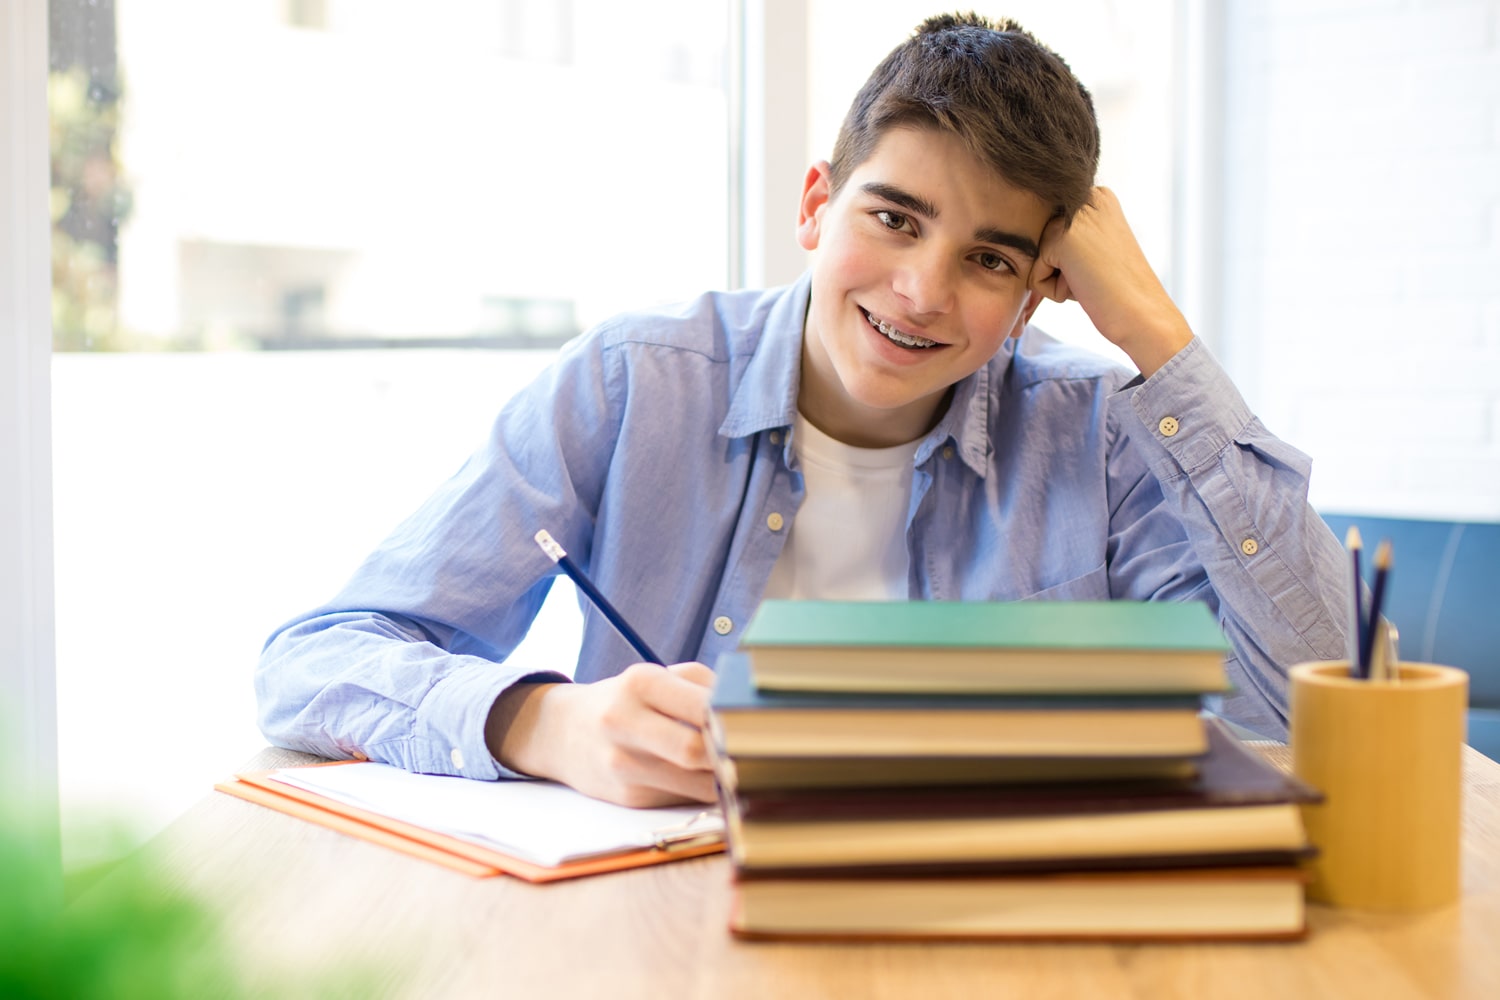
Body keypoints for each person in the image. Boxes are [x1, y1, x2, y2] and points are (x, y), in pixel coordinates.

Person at [256, 13, 1349, 808]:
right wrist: (545, 722)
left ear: (1034, 295)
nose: (922, 291)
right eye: (895, 217)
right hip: (654, 936)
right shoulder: (637, 379)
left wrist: (1158, 334)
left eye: (989, 259)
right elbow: (315, 660)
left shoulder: (1101, 427)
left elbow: (1317, 706)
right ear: (817, 205)